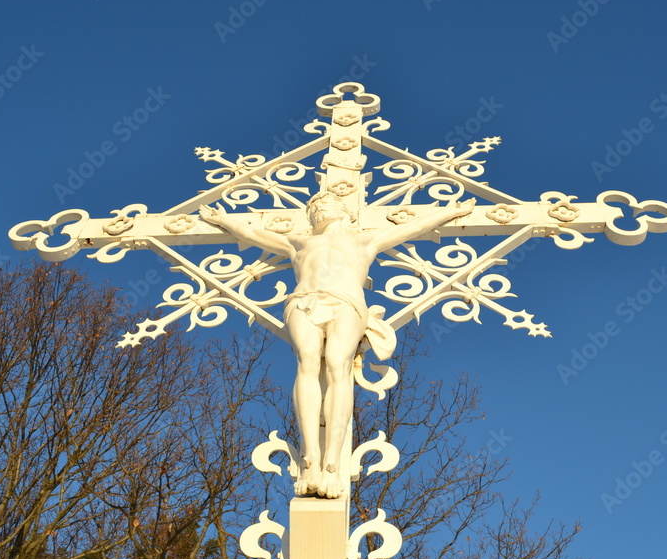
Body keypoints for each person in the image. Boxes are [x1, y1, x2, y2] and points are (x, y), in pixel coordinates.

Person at [201, 192, 473, 498]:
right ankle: (310, 458)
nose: (317, 210)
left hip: (346, 302)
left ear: (346, 211)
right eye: (313, 208)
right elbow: (253, 233)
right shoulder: (299, 243)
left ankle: (331, 461)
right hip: (304, 301)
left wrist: (450, 212)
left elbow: (410, 229)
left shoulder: (364, 242)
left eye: (323, 204)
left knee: (337, 365)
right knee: (307, 361)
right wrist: (222, 219)